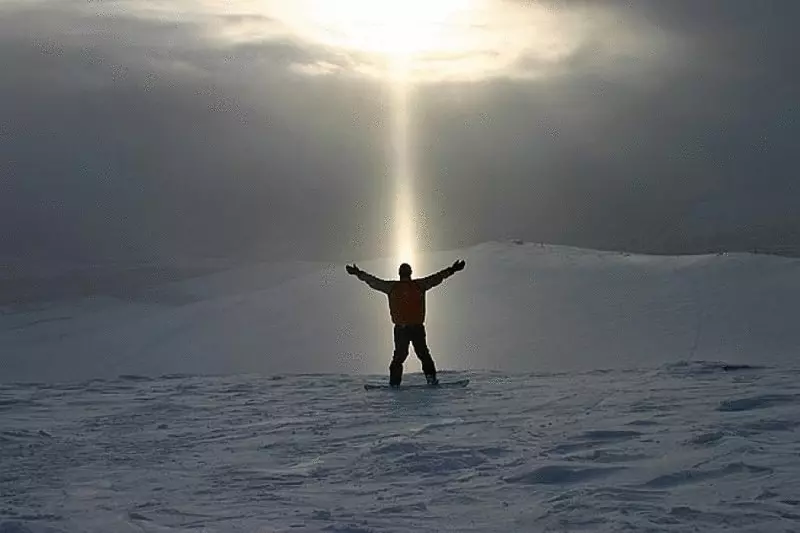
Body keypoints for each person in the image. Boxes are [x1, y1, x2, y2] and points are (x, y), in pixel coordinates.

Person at [346, 259, 466, 387]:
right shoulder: (419, 285)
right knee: (423, 354)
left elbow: (373, 281)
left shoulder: (392, 287)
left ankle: (394, 383)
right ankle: (431, 379)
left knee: (400, 357)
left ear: (399, 274)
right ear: (410, 273)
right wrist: (452, 270)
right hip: (416, 328)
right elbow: (437, 277)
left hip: (402, 329)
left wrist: (358, 273)